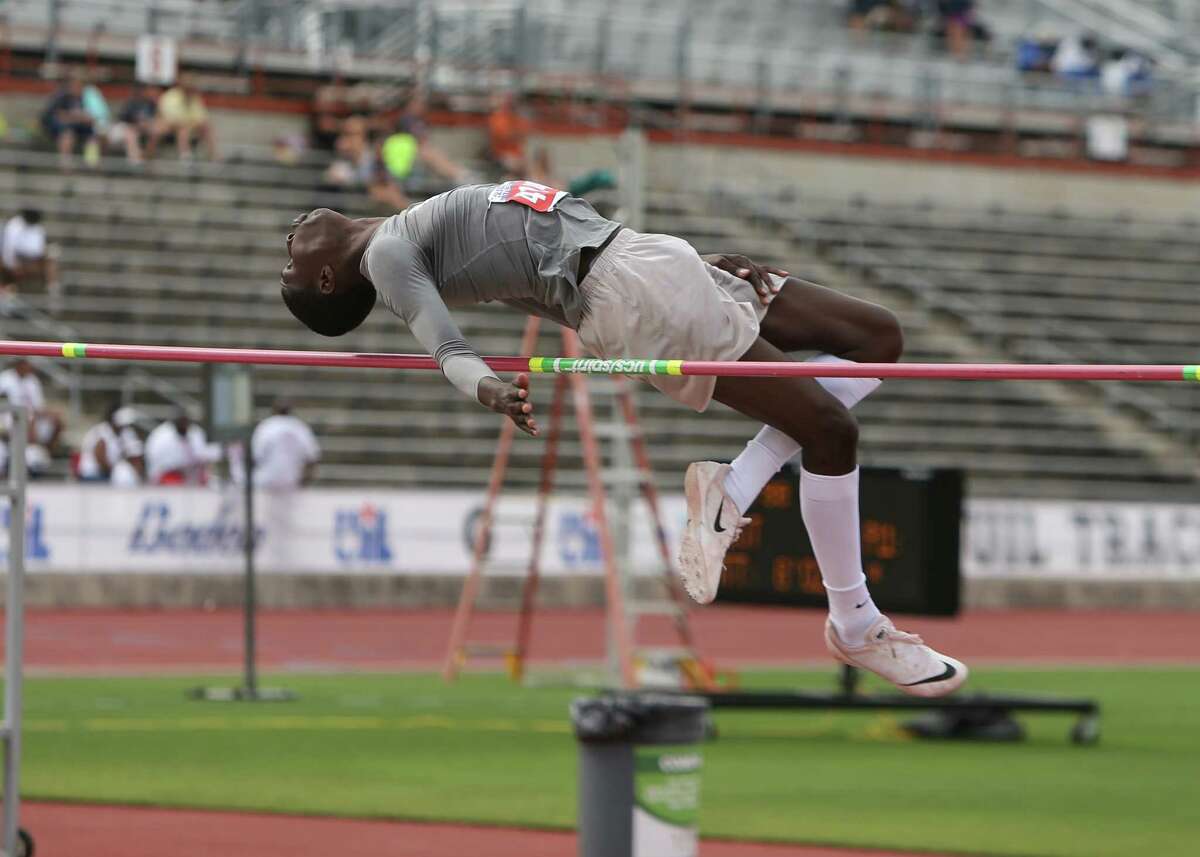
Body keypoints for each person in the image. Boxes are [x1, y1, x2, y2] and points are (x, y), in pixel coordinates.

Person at [277, 181, 967, 698]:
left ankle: (736, 486)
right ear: (330, 278)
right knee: (831, 429)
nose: (286, 245)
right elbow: (445, 345)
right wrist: (486, 386)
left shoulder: (402, 224)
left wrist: (698, 265)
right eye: (290, 268)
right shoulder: (387, 258)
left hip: (645, 257)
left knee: (876, 339)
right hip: (627, 288)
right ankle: (855, 622)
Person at [0, 358, 63, 462]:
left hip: (31, 417)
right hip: (8, 417)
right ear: (19, 365)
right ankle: (28, 455)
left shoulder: (33, 380)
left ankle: (45, 454)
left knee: (57, 422)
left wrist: (52, 414)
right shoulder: (5, 379)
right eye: (27, 364)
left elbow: (38, 408)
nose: (30, 367)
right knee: (27, 421)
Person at [250, 399, 320, 490]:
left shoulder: (266, 427)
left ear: (274, 410)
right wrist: (305, 480)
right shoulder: (300, 427)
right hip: (293, 482)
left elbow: (256, 455)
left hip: (267, 481)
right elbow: (312, 456)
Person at [1, 208, 60, 308]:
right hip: (17, 261)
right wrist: (15, 266)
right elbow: (8, 250)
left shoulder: (38, 227)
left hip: (32, 260)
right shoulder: (14, 226)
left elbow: (38, 249)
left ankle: (53, 291)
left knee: (52, 257)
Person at [144, 409, 220, 485]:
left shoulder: (194, 432)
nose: (184, 424)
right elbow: (161, 464)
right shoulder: (161, 436)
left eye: (185, 422)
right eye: (181, 422)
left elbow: (203, 455)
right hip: (166, 475)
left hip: (189, 475)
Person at [41, 71, 95, 168]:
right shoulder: (61, 96)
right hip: (55, 126)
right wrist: (76, 117)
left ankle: (91, 162)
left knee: (91, 133)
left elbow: (81, 114)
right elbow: (57, 115)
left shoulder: (80, 98)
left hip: (74, 125)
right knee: (67, 133)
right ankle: (65, 163)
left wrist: (84, 118)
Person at [156, 75, 217, 160]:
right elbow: (170, 117)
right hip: (170, 127)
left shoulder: (195, 98)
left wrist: (192, 123)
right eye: (188, 87)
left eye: (191, 88)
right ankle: (185, 156)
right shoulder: (170, 96)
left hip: (189, 126)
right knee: (182, 129)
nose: (190, 90)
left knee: (206, 127)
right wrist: (187, 123)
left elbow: (201, 117)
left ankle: (213, 156)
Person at [108, 84, 160, 164]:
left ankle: (147, 157)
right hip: (121, 129)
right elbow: (123, 119)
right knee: (131, 134)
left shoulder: (150, 104)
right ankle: (135, 164)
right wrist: (138, 125)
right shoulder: (131, 103)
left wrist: (146, 125)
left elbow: (152, 119)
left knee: (155, 131)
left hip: (139, 129)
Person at [487, 93, 531, 178]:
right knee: (514, 165)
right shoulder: (497, 117)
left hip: (517, 153)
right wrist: (516, 134)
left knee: (526, 168)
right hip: (501, 153)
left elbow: (524, 135)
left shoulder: (518, 118)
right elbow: (504, 136)